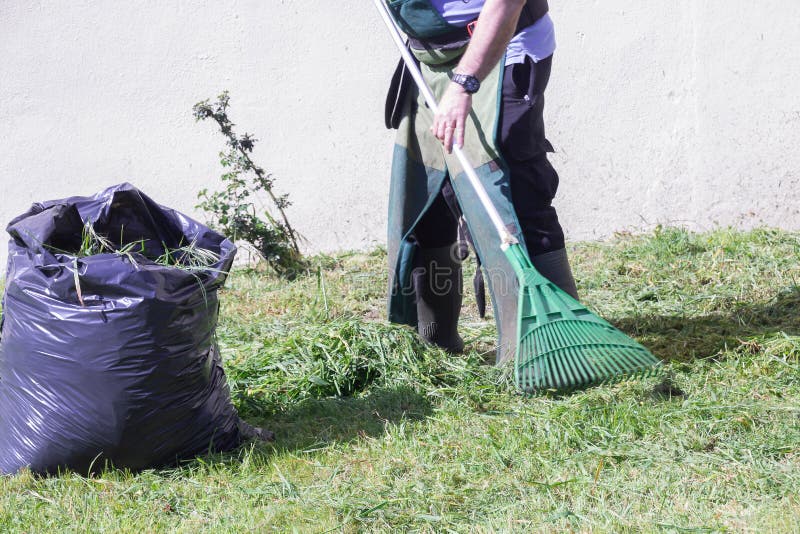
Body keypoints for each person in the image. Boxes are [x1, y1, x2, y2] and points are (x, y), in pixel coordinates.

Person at [384, 0, 578, 362]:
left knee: (515, 197)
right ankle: (435, 344)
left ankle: (556, 347)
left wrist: (464, 84)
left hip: (499, 48)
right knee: (431, 194)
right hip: (430, 61)